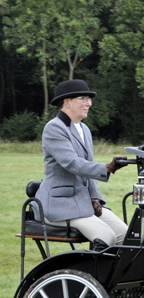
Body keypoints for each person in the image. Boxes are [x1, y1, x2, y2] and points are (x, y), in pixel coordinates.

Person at [37, 79, 129, 247]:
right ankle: (90, 273)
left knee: (125, 234)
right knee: (106, 237)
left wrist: (96, 198)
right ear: (67, 102)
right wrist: (107, 168)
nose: (89, 103)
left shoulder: (84, 129)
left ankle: (114, 274)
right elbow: (72, 163)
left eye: (89, 99)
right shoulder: (54, 128)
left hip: (83, 202)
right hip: (61, 205)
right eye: (83, 98)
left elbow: (88, 166)